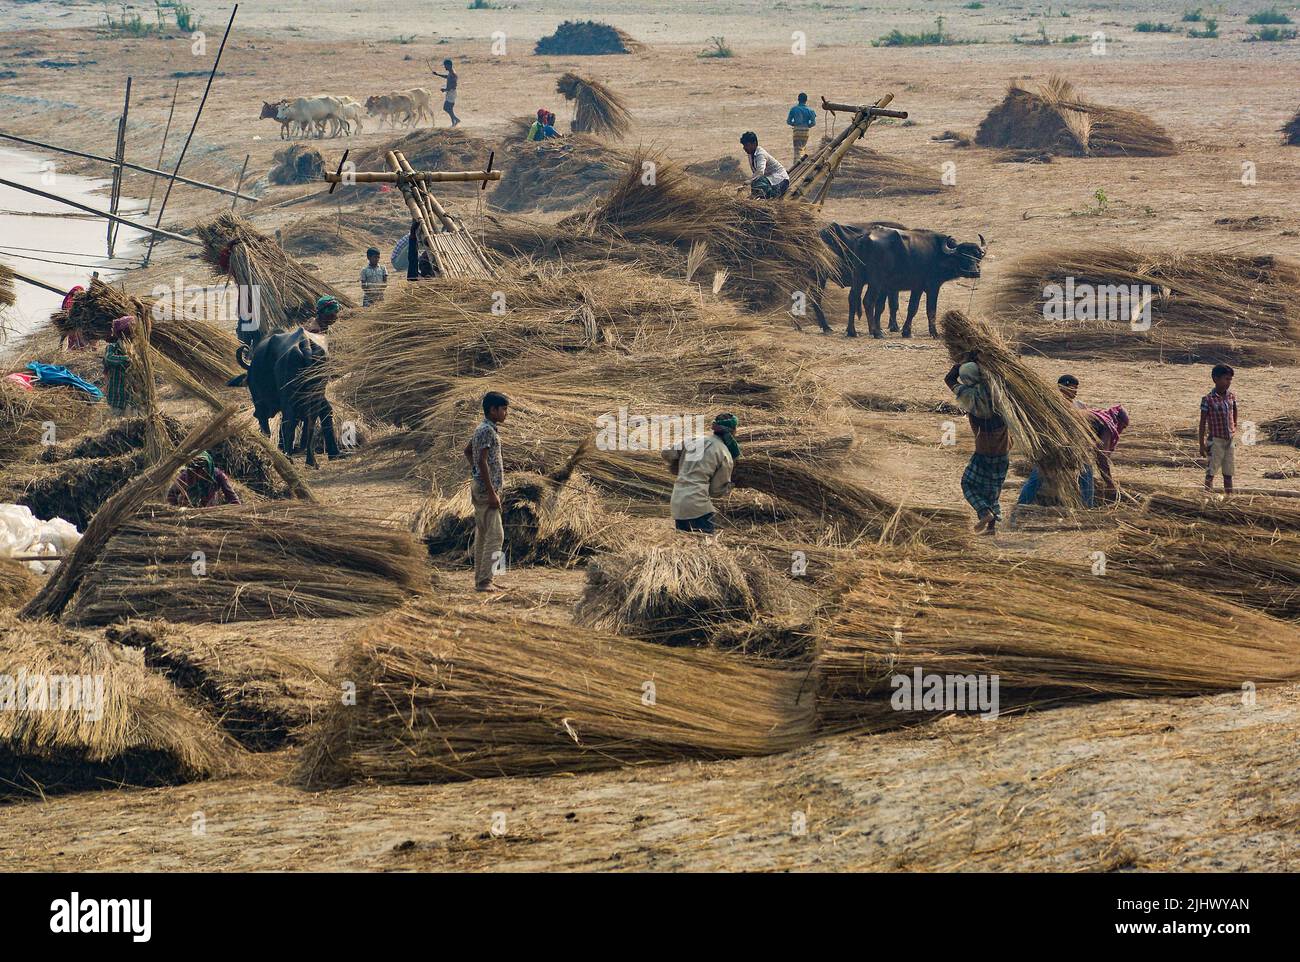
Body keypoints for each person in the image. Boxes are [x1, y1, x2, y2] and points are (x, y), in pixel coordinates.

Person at [945, 354, 1008, 534]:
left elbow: (948, 379)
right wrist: (983, 360)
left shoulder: (967, 395)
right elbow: (1000, 374)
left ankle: (983, 512)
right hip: (1003, 450)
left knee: (968, 483)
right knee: (993, 489)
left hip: (984, 450)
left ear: (966, 378)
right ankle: (991, 527)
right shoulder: (995, 390)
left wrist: (960, 362)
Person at [1014, 374, 1091, 509]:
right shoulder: (1052, 405)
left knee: (1086, 472)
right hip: (1055, 449)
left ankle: (1087, 507)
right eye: (1073, 388)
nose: (1076, 392)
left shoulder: (1080, 405)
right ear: (1063, 387)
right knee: (1038, 475)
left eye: (1076, 388)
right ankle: (1021, 505)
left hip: (1074, 450)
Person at [661, 414, 738, 534]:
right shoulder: (724, 454)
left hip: (678, 503)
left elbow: (666, 453)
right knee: (704, 546)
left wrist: (678, 465)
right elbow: (715, 491)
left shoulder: (694, 439)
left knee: (685, 546)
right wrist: (731, 485)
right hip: (698, 507)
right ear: (733, 431)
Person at [463, 391, 508, 592]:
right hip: (485, 491)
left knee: (483, 534)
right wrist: (491, 492)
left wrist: (475, 473)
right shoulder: (487, 431)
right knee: (496, 536)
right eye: (503, 409)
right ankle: (485, 581)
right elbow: (481, 460)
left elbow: (468, 451)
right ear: (493, 410)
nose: (506, 413)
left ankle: (482, 579)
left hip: (480, 487)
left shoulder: (483, 428)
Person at [1199, 363, 1238, 494]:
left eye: (1230, 379)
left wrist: (1234, 427)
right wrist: (1201, 444)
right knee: (1211, 472)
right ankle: (1207, 497)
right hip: (1215, 440)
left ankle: (1229, 499)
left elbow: (1234, 411)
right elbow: (1202, 422)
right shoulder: (1208, 399)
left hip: (1229, 440)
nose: (1228, 382)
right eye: (1226, 379)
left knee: (1228, 473)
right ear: (1215, 379)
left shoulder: (1231, 396)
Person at [167, 451, 241, 508]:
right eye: (195, 471)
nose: (198, 475)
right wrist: (176, 510)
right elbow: (171, 495)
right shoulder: (186, 476)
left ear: (208, 467)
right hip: (189, 512)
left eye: (202, 471)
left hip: (210, 513)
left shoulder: (218, 476)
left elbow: (233, 499)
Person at [740, 131, 790, 199]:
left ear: (754, 144)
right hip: (770, 180)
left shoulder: (760, 154)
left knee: (758, 182)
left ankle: (765, 197)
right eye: (744, 145)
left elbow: (760, 172)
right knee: (756, 182)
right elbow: (756, 173)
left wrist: (749, 181)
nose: (744, 148)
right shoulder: (750, 153)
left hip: (781, 181)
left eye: (747, 145)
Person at [102, 315, 135, 416]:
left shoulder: (135, 349)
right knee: (115, 418)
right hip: (116, 393)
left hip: (131, 396)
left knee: (131, 421)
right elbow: (109, 358)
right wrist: (127, 359)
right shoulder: (112, 348)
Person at [786, 92, 817, 165]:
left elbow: (788, 121)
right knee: (803, 148)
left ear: (798, 99)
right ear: (806, 100)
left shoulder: (794, 109)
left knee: (797, 150)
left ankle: (796, 166)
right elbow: (813, 123)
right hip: (805, 131)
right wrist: (807, 125)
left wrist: (795, 124)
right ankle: (802, 164)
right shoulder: (810, 110)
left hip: (797, 131)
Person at [431, 58, 460, 126]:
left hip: (451, 92)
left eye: (445, 65)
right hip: (450, 92)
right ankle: (454, 122)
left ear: (449, 65)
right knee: (449, 108)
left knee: (446, 108)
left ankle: (456, 120)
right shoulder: (451, 72)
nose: (444, 67)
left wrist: (445, 89)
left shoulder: (452, 73)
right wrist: (437, 74)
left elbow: (453, 85)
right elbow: (447, 77)